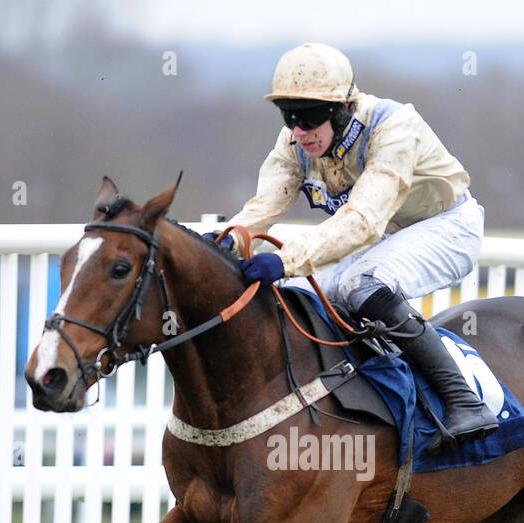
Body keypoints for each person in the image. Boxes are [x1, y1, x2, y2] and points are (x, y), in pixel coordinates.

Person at [209, 43, 496, 450]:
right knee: (300, 297)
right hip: (387, 235)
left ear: (343, 108)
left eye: (309, 117)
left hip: (447, 225)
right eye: (289, 116)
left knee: (362, 284)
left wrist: (284, 259)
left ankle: (464, 401)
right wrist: (226, 240)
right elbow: (265, 204)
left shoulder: (393, 128)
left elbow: (362, 222)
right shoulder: (295, 142)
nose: (299, 131)